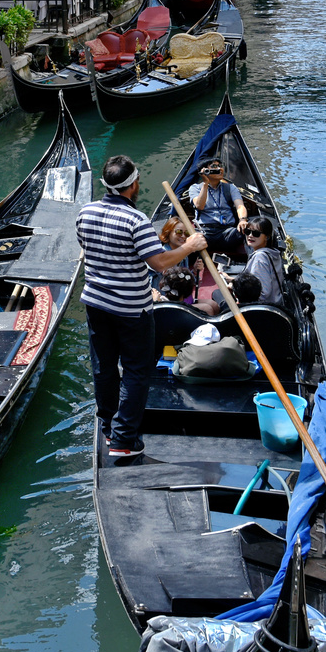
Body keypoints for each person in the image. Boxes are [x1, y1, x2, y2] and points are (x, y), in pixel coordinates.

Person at [77, 155, 207, 459]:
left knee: (104, 367)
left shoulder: (85, 212)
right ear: (133, 185)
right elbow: (159, 263)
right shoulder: (137, 221)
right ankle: (123, 439)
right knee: (137, 371)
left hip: (95, 303)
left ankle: (109, 425)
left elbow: (88, 248)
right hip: (131, 309)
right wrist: (190, 247)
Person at [188, 158, 248, 257]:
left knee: (249, 230)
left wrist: (242, 220)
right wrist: (205, 184)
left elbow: (240, 206)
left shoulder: (230, 188)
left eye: (220, 166)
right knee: (188, 239)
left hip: (227, 232)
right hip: (205, 233)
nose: (219, 169)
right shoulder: (195, 188)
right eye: (214, 167)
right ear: (204, 171)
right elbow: (199, 206)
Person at [241, 216, 285, 306]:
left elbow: (263, 293)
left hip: (262, 307)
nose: (250, 235)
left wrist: (235, 290)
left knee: (218, 294)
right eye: (248, 232)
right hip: (276, 302)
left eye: (256, 233)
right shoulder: (273, 252)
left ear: (267, 237)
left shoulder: (259, 259)